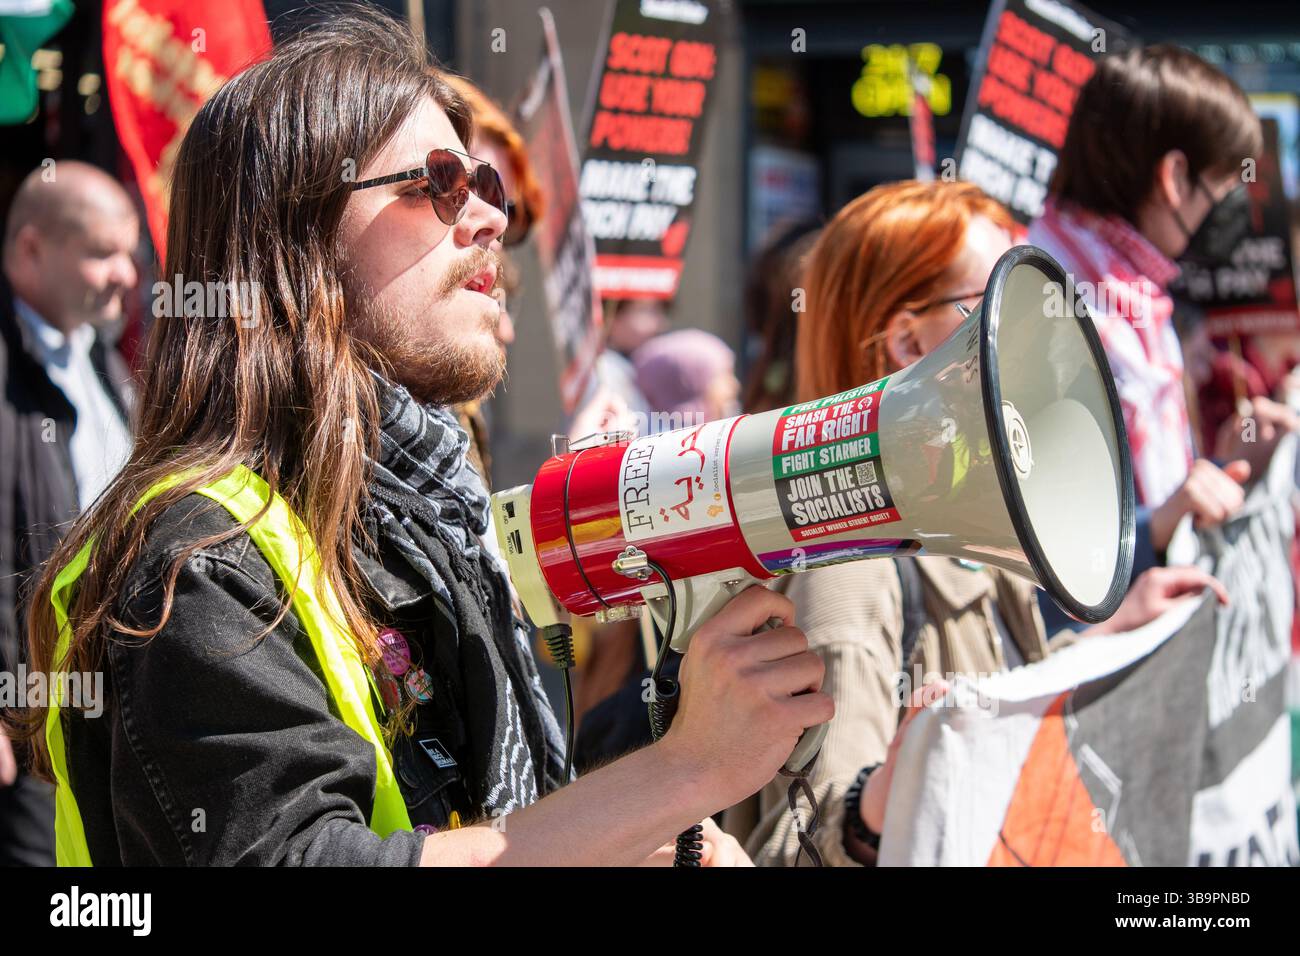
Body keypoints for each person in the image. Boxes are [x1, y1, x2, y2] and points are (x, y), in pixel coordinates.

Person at [5, 11, 831, 867]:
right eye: (436, 182)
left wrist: (638, 843)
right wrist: (684, 771)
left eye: (487, 187)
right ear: (294, 234)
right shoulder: (195, 565)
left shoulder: (436, 522)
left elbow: (485, 821)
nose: (486, 220)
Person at [719, 180, 1227, 866]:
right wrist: (874, 808)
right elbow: (785, 849)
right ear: (905, 340)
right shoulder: (850, 572)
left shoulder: (967, 533)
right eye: (997, 310)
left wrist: (1106, 637)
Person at [1029, 44, 1297, 634]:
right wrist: (1166, 516)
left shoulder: (1133, 290)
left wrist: (1223, 464)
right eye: (1225, 186)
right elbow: (1034, 551)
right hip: (1084, 675)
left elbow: (1144, 499)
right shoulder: (1048, 298)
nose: (1228, 209)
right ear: (1176, 178)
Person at [0, 161, 137, 866]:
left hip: (110, 706)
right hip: (27, 714)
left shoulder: (104, 364)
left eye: (130, 253)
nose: (125, 274)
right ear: (30, 249)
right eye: (101, 253)